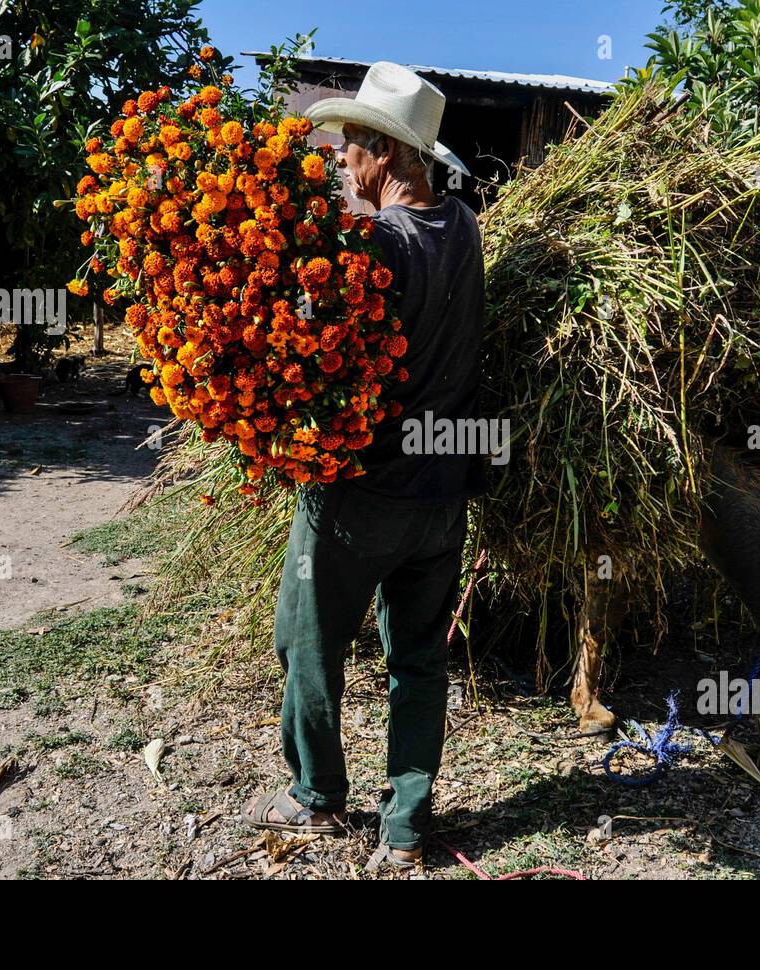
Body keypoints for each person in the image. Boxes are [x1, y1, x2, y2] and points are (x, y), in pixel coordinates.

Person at [241, 62, 485, 871]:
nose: (342, 163)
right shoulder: (469, 229)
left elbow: (306, 340)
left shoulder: (376, 246)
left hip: (361, 490)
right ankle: (406, 824)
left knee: (305, 641)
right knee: (418, 658)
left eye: (350, 148)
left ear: (386, 153)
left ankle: (316, 794)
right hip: (445, 491)